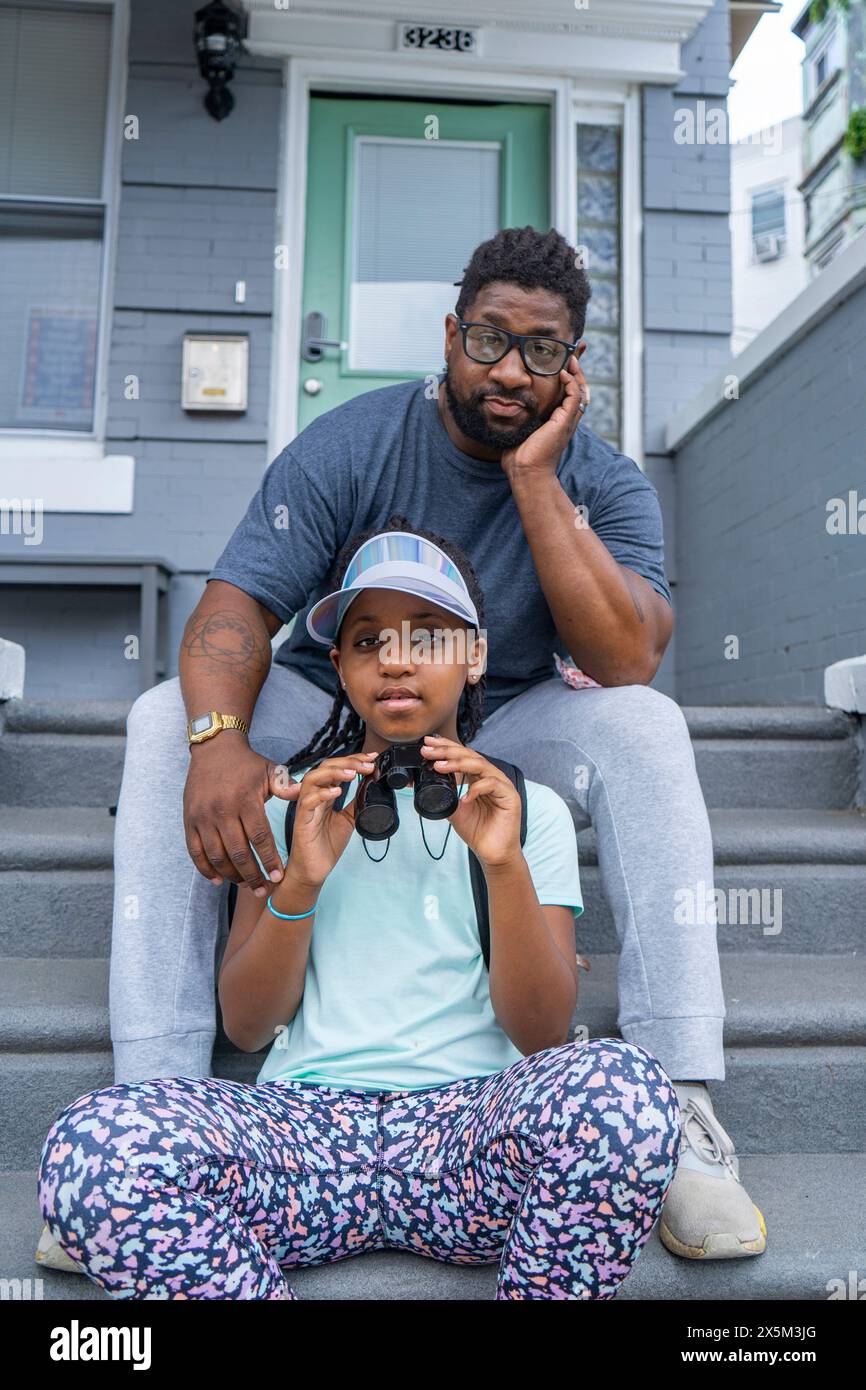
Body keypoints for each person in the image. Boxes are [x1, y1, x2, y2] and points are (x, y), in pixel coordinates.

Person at [92, 223, 765, 1264]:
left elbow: (627, 655)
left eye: (538, 350)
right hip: (325, 697)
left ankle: (675, 1106)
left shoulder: (605, 483)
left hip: (513, 713)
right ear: (450, 334)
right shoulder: (354, 440)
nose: (506, 369)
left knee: (644, 723)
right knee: (159, 721)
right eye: (486, 339)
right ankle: (157, 1094)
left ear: (571, 367)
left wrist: (536, 479)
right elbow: (234, 605)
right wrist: (221, 737)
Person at [37, 528, 682, 1300]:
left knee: (629, 1092)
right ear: (338, 667)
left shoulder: (526, 809)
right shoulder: (289, 808)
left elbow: (542, 1033)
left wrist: (503, 864)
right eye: (368, 640)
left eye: (429, 637)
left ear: (475, 657)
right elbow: (245, 1028)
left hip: (469, 1134)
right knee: (94, 1148)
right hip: (307, 1134)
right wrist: (299, 883)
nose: (397, 659)